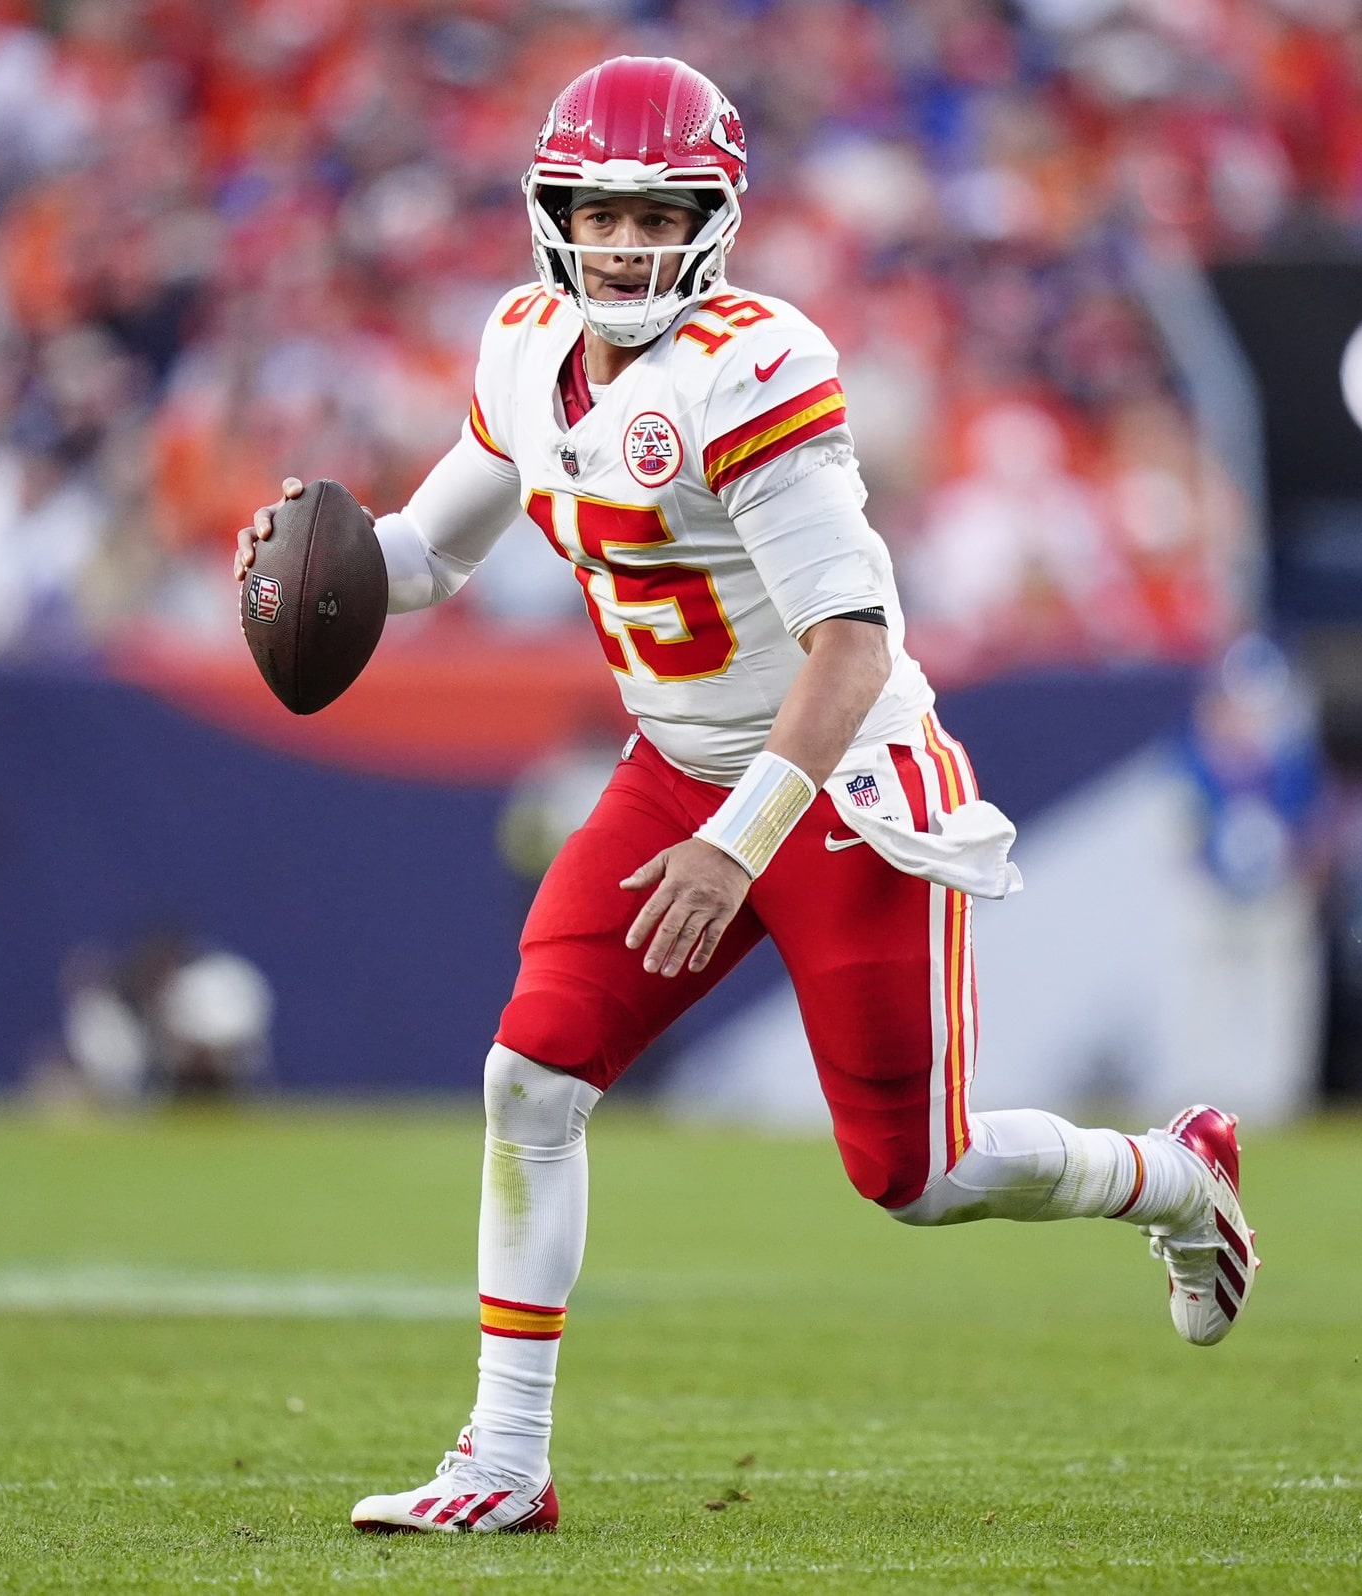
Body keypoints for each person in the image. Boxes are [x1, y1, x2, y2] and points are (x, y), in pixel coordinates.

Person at [236, 57, 1260, 1535]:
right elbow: (427, 556)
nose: (625, 245)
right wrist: (307, 567)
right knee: (528, 1079)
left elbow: (854, 644)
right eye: (599, 212)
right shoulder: (524, 347)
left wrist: (737, 841)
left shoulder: (751, 363)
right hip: (676, 764)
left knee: (919, 1174)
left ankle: (1173, 1178)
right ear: (552, 213)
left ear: (713, 223)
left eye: (660, 216)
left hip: (841, 777)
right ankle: (503, 1460)